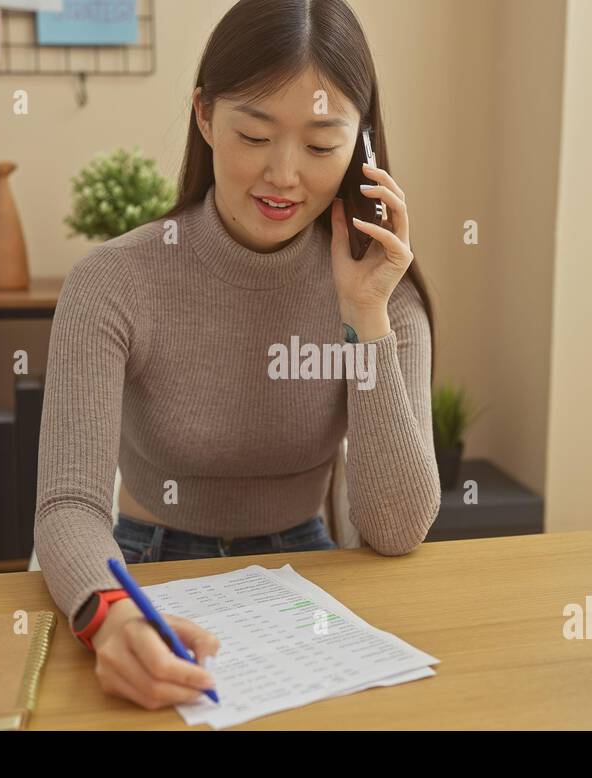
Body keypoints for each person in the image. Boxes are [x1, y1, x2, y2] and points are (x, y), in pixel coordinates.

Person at [34, 0, 439, 710]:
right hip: (145, 569)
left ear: (361, 146)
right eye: (254, 134)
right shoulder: (113, 284)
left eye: (320, 146)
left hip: (307, 573)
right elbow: (69, 503)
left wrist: (366, 316)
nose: (284, 174)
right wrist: (109, 613)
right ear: (204, 117)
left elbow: (396, 525)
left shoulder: (382, 288)